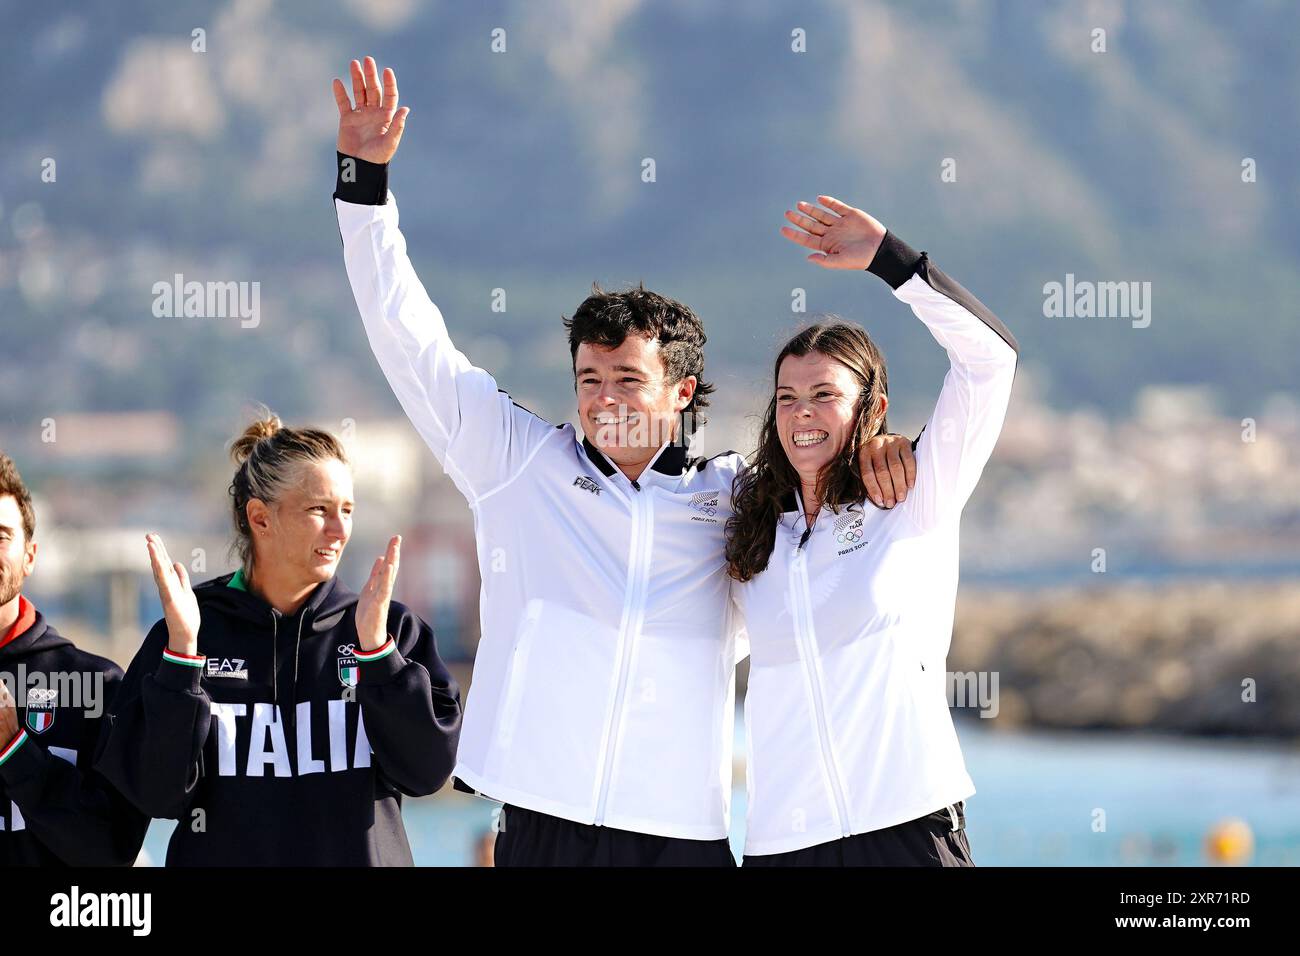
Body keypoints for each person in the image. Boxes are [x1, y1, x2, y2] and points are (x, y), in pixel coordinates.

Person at [331, 56, 917, 866]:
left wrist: (875, 449)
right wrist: (363, 185)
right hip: (546, 826)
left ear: (683, 392)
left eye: (628, 380)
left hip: (688, 839)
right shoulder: (514, 463)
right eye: (589, 380)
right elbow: (408, 338)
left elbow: (822, 487)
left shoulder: (740, 500)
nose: (603, 399)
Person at [727, 195, 1018, 866]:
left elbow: (990, 362)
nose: (803, 413)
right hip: (785, 844)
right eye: (789, 398)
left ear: (872, 407)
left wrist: (893, 262)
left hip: (907, 831)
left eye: (825, 394)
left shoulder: (914, 493)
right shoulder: (746, 525)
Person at [95, 414, 462, 865]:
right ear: (260, 518)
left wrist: (378, 657)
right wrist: (182, 662)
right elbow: (156, 796)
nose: (339, 529)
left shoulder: (389, 630)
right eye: (318, 510)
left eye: (346, 510)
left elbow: (427, 773)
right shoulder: (186, 632)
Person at [0, 452, 149, 866]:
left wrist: (14, 749)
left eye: (0, 535)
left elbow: (109, 853)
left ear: (29, 556)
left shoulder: (98, 686)